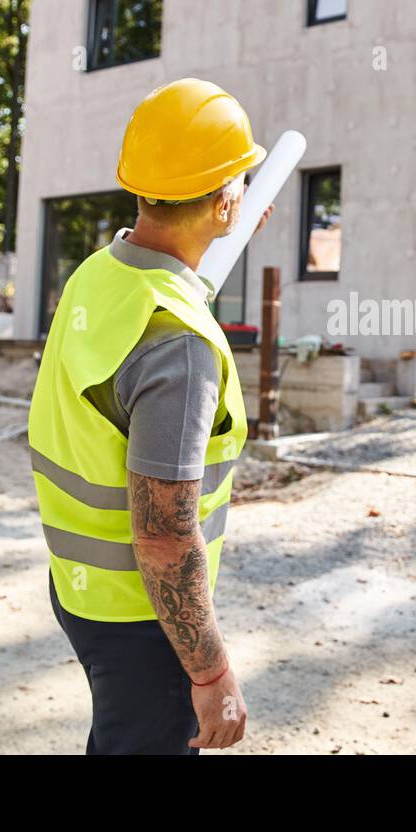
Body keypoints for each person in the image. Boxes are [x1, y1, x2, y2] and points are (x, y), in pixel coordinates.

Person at [29, 78, 271, 753]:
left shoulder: (100, 276)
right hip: (145, 620)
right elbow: (165, 540)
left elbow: (168, 278)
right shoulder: (181, 350)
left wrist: (227, 222)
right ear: (224, 200)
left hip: (83, 592)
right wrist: (212, 673)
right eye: (241, 185)